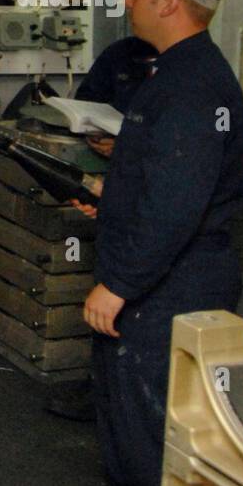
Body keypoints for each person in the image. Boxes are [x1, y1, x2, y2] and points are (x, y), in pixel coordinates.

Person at [57, 0, 243, 486]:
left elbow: (174, 207)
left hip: (169, 282)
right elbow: (164, 180)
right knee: (136, 397)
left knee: (145, 401)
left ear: (169, 0)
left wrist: (118, 285)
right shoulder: (184, 74)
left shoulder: (188, 87)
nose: (131, 0)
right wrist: (105, 192)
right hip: (178, 269)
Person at [44, 33, 158, 421]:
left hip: (150, 189)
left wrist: (126, 143)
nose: (128, 0)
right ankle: (104, 389)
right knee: (108, 274)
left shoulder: (188, 72)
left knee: (137, 297)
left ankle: (128, 401)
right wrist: (95, 134)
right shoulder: (119, 54)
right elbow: (88, 103)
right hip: (117, 182)